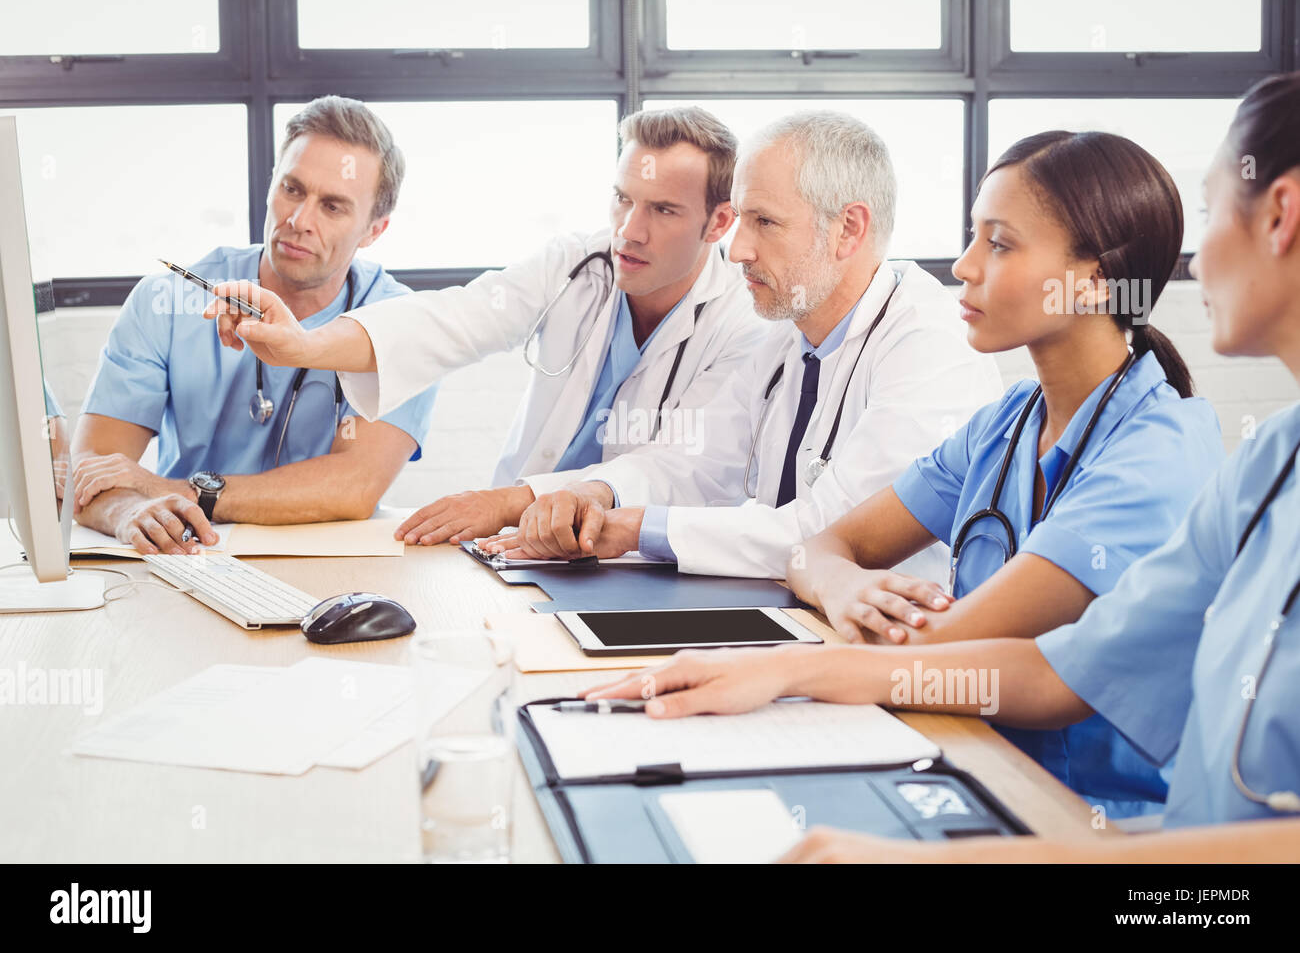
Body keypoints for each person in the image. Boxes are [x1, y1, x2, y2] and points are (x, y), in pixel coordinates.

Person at [584, 71, 1300, 861]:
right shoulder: (1029, 425)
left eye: (998, 243)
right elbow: (1044, 665)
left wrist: (796, 665)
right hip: (975, 759)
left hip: (1094, 818)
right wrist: (819, 620)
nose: (962, 266)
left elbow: (977, 654)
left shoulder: (1158, 455)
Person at [204, 107, 768, 547]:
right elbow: (457, 318)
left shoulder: (742, 323)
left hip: (640, 557)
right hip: (519, 543)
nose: (629, 231)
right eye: (622, 200)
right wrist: (305, 344)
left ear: (719, 221)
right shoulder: (577, 265)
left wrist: (507, 501)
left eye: (663, 210)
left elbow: (679, 468)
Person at [483, 112, 1003, 583]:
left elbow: (832, 534)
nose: (736, 250)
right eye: (741, 219)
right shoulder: (784, 336)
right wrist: (596, 495)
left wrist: (636, 528)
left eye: (765, 222)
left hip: (884, 650)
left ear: (848, 229)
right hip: (780, 610)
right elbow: (693, 463)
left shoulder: (931, 349)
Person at [70, 96, 439, 555]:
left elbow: (353, 487)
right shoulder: (165, 301)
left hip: (328, 562)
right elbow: (91, 470)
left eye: (333, 207)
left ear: (373, 231)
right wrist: (127, 511)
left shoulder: (399, 324)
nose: (299, 221)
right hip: (182, 553)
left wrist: (174, 490)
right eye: (292, 189)